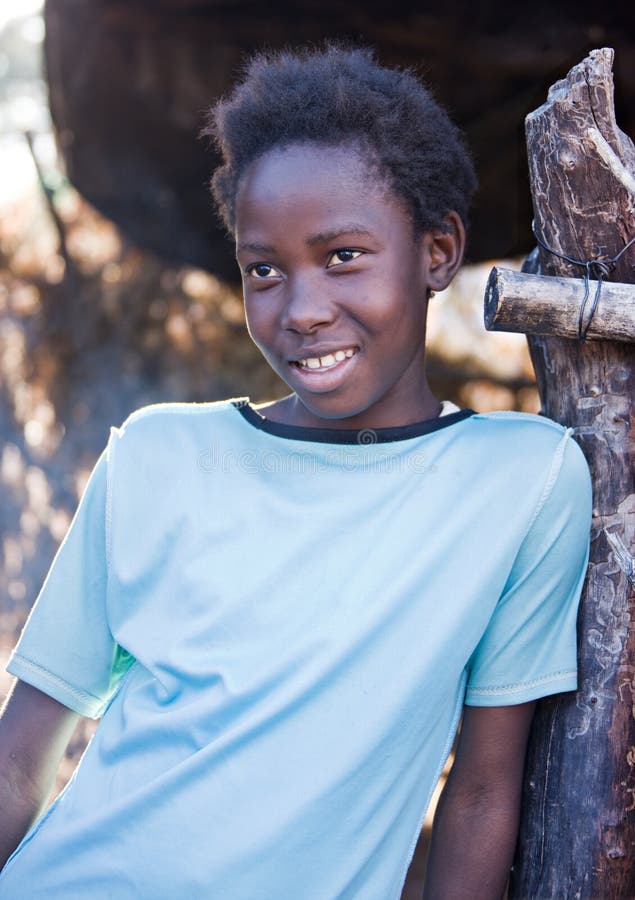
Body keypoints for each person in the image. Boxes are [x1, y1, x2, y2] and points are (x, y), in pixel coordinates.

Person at [0, 44, 591, 899]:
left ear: (437, 251)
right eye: (264, 270)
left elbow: (481, 792)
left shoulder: (522, 480)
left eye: (343, 255)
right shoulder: (158, 455)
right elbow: (23, 758)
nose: (302, 310)